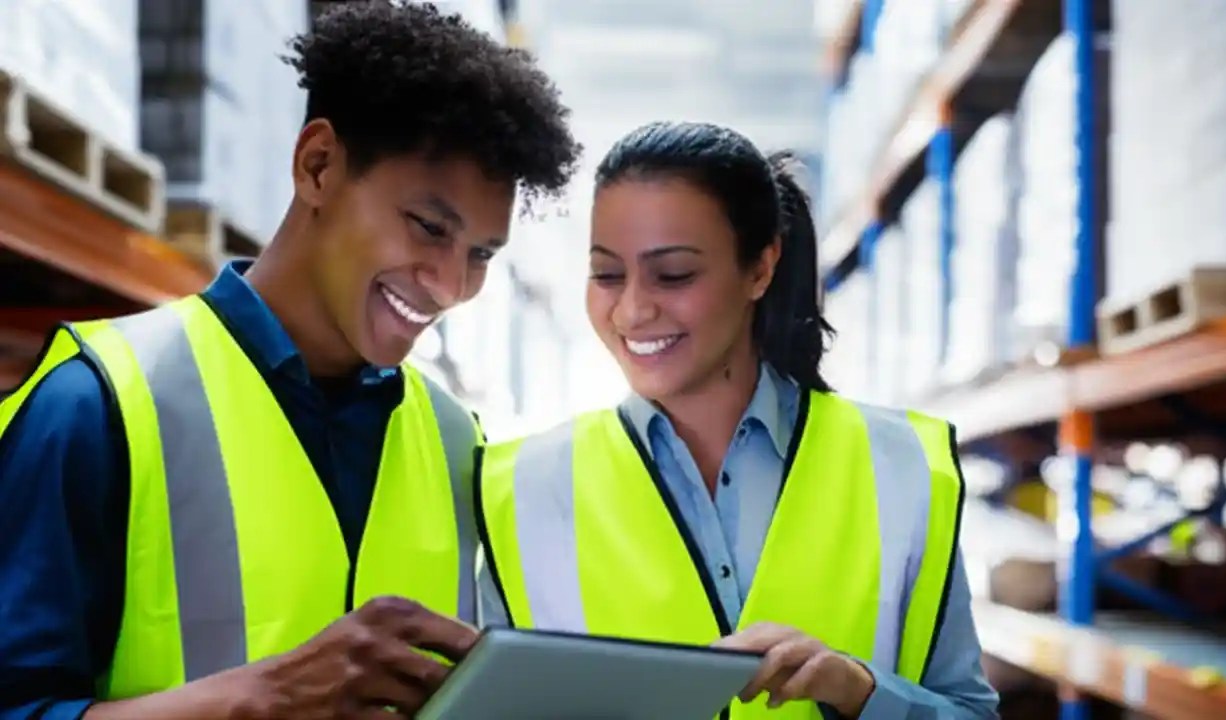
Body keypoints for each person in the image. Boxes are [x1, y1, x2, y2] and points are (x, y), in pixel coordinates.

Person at [0, 3, 578, 719]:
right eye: (428, 227)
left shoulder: (455, 439)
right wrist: (263, 699)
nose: (452, 285)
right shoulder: (98, 405)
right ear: (318, 166)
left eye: (482, 255)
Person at [476, 122, 998, 718]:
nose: (632, 309)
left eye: (673, 274)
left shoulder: (901, 467)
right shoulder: (521, 489)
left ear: (759, 268)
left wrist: (860, 691)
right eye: (607, 274)